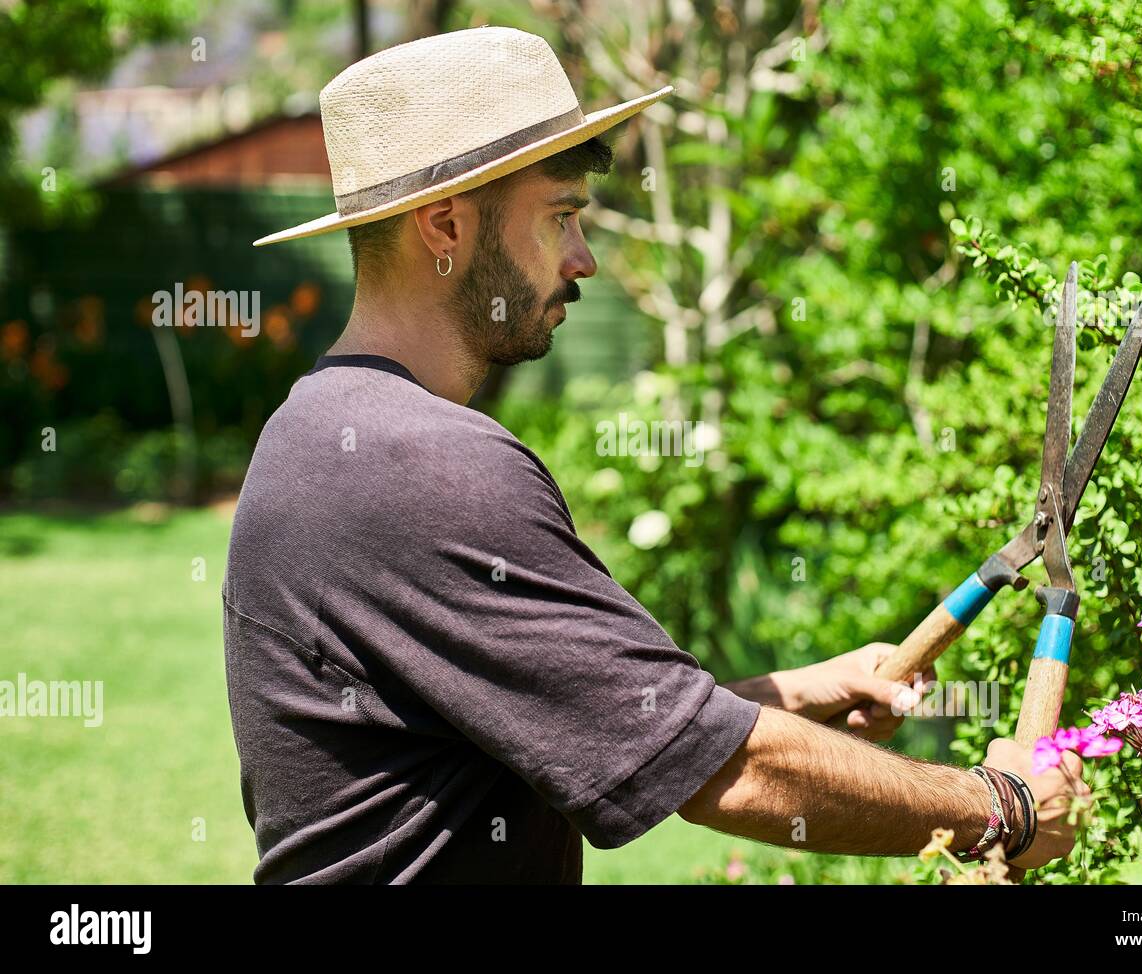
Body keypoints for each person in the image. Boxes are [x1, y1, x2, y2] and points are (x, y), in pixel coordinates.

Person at [223, 26, 1089, 884]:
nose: (585, 259)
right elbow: (729, 774)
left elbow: (603, 726)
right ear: (446, 224)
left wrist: (779, 694)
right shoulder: (423, 467)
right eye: (561, 216)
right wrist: (1001, 810)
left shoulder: (315, 437)